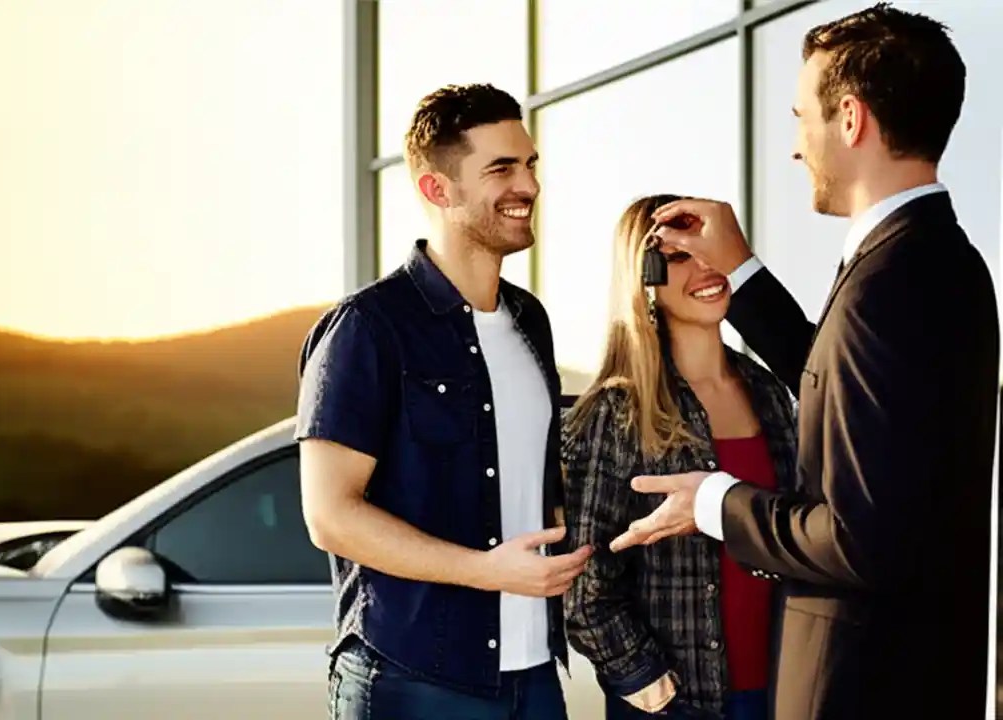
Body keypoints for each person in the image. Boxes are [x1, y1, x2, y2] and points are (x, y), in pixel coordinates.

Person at [605, 5, 1000, 719]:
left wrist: (714, 503)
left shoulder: (893, 283)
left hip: (861, 687)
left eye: (800, 118)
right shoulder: (943, 263)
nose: (796, 147)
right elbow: (842, 386)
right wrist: (745, 271)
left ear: (850, 119)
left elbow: (858, 536)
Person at [294, 83, 593, 720]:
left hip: (534, 673)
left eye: (530, 164)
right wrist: (489, 571)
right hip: (414, 677)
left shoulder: (528, 320)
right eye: (501, 169)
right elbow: (330, 517)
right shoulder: (368, 328)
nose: (528, 186)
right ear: (437, 190)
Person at [561, 194, 798, 720]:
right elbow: (585, 582)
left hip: (782, 692)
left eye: (708, 248)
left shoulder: (770, 391)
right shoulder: (618, 410)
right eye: (677, 257)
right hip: (679, 702)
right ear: (644, 277)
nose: (707, 267)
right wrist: (646, 683)